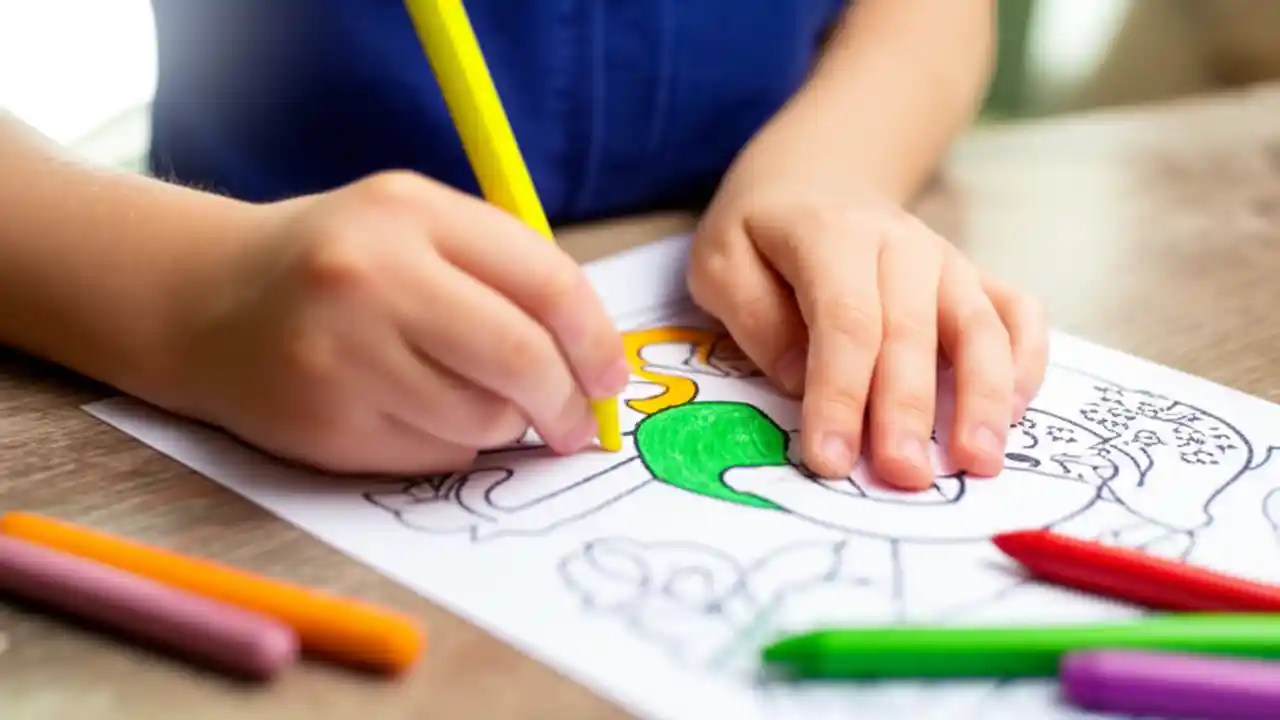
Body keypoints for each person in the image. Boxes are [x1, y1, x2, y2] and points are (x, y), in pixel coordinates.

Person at [0, 0, 1047, 490]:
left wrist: (833, 165)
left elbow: (927, 15)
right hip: (227, 342)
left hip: (727, 288)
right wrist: (192, 296)